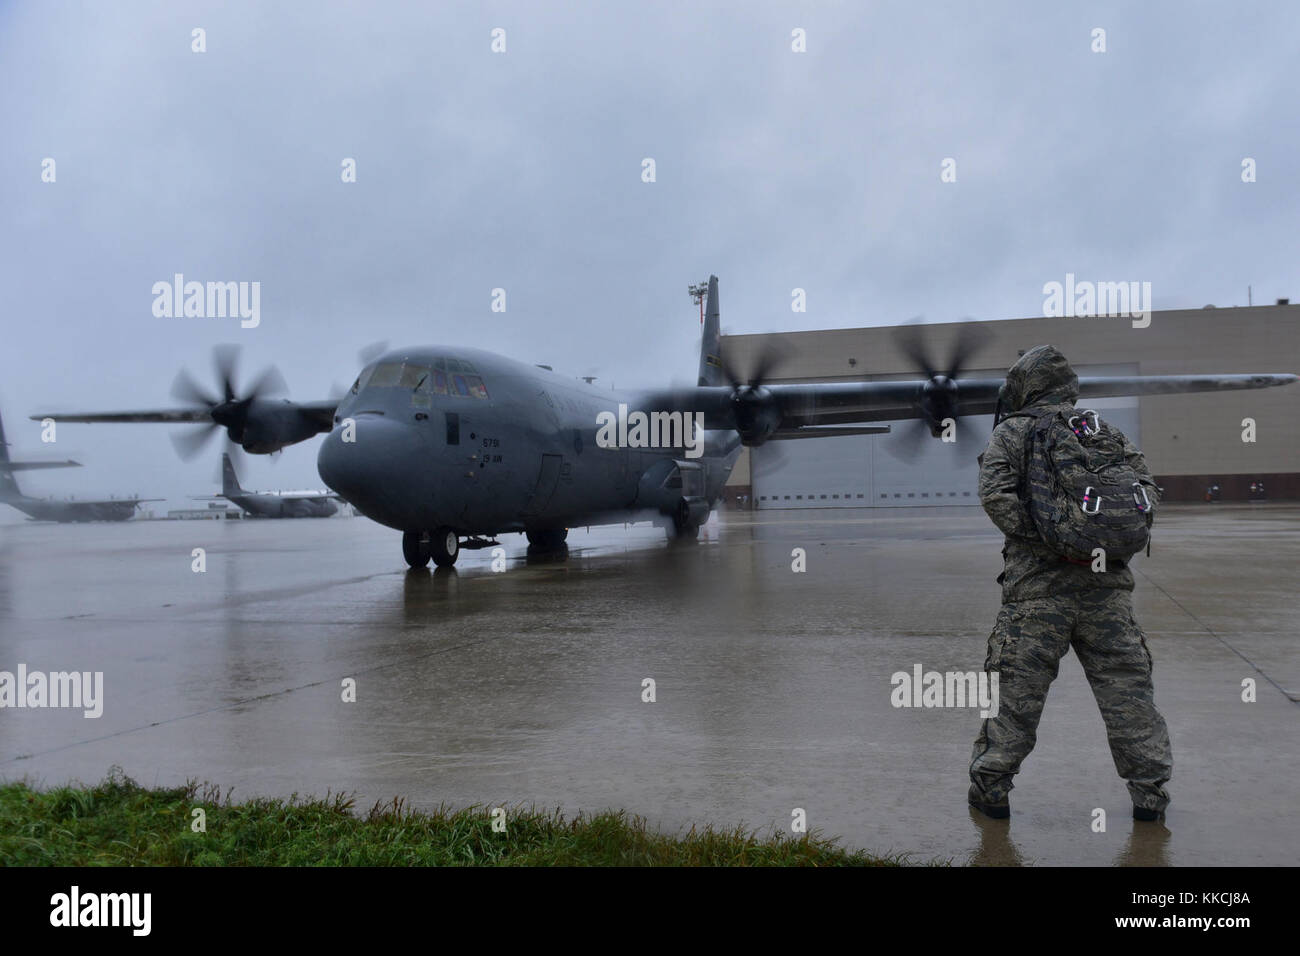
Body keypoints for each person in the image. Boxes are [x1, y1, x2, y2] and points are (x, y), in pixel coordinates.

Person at [968, 345, 1172, 821]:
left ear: (1023, 385)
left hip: (1038, 595)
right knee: (1128, 695)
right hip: (1107, 593)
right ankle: (1150, 795)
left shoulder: (1012, 432)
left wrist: (1045, 539)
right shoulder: (1100, 429)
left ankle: (991, 790)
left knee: (1016, 696)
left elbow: (994, 494)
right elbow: (1146, 492)